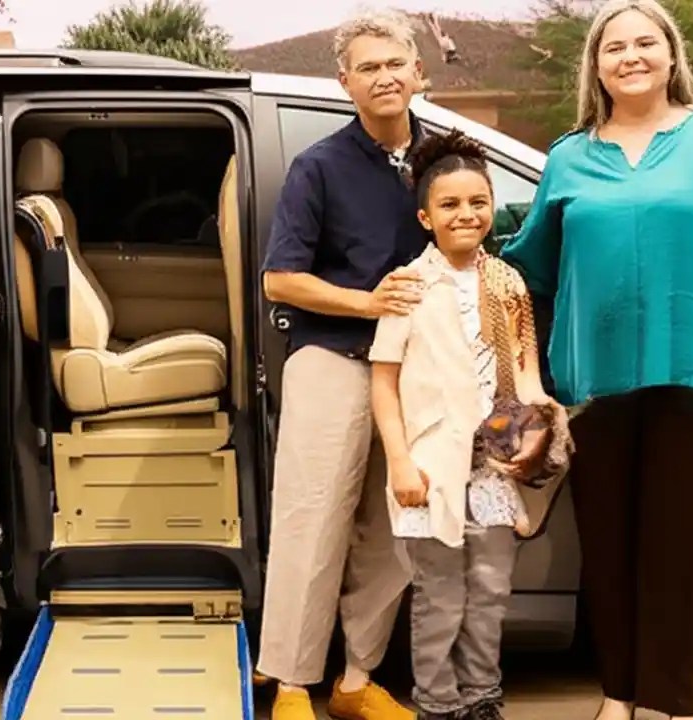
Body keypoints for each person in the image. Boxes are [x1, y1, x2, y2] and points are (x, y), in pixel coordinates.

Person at [498, 1, 693, 719]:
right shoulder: (569, 154)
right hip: (591, 385)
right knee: (609, 549)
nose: (630, 56)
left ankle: (676, 703)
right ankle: (619, 696)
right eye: (614, 47)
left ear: (670, 55)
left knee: (683, 550)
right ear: (594, 65)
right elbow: (527, 269)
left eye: (644, 43)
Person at [255, 9, 432, 720]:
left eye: (395, 64)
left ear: (419, 72)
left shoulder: (444, 159)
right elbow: (279, 280)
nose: (384, 77)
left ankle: (356, 681)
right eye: (368, 68)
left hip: (417, 372)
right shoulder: (317, 167)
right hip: (333, 355)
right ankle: (293, 684)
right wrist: (368, 303)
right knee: (312, 521)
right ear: (345, 83)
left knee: (393, 533)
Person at [368, 129, 571, 720]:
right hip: (431, 464)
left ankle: (482, 697)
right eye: (450, 205)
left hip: (493, 468)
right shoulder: (408, 286)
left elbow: (527, 376)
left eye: (478, 202)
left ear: (492, 207)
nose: (467, 214)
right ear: (426, 217)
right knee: (439, 593)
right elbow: (383, 381)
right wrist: (400, 462)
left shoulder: (509, 285)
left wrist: (538, 437)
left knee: (490, 589)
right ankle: (436, 703)